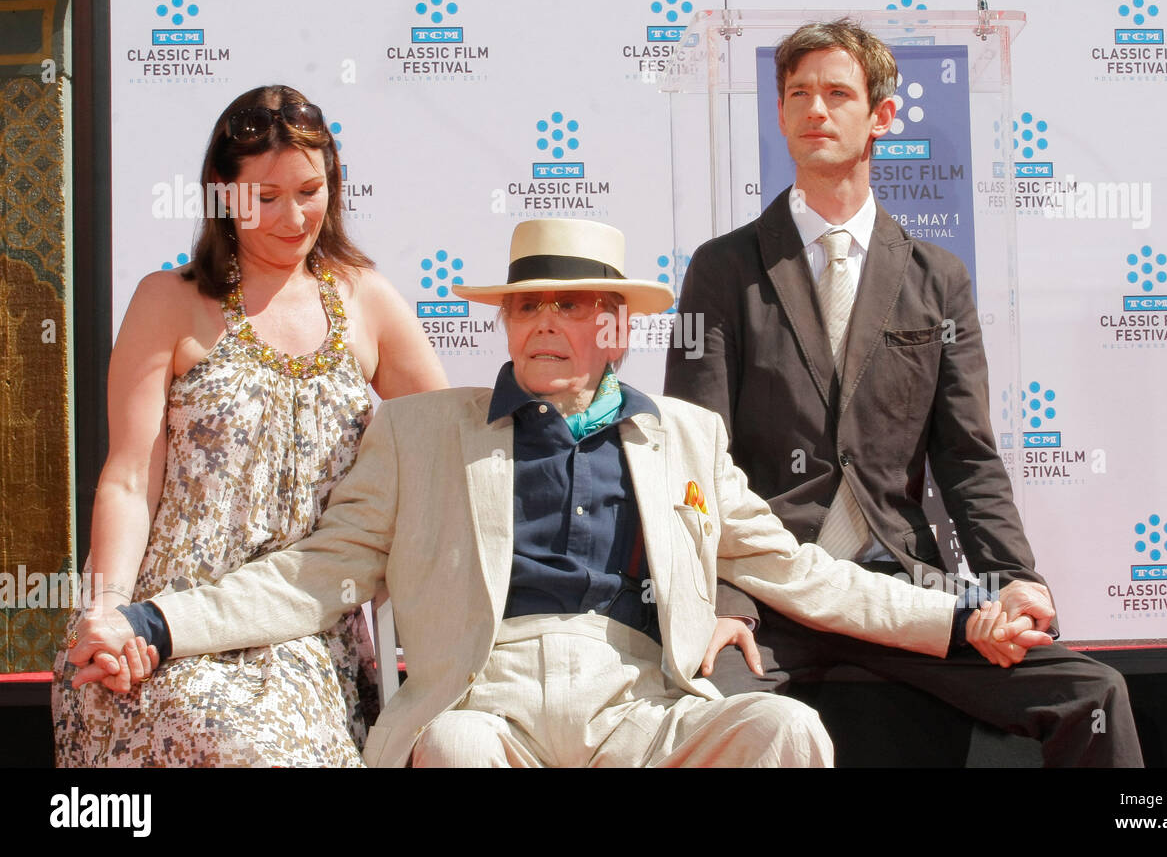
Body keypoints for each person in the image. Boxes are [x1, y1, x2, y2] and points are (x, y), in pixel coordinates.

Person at [68, 217, 1049, 768]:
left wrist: (961, 623)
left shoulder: (685, 437)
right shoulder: (418, 433)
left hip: (642, 699)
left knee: (787, 730)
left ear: (615, 326)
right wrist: (155, 622)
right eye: (526, 304)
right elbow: (312, 575)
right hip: (484, 697)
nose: (543, 323)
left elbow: (805, 573)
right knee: (449, 750)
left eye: (570, 305)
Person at [663, 19, 1143, 766]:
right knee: (705, 722)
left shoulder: (937, 279)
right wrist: (722, 604)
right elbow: (694, 464)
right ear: (781, 115)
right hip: (769, 593)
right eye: (798, 95)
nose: (815, 110)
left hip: (901, 584)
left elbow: (969, 459)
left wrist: (1014, 579)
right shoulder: (722, 270)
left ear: (882, 116)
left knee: (1093, 694)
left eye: (836, 93)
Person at [52, 85, 449, 766]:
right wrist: (111, 611)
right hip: (163, 616)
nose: (294, 218)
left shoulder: (368, 300)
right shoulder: (167, 301)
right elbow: (126, 477)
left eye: (310, 190)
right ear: (221, 192)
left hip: (300, 619)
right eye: (265, 198)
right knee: (219, 738)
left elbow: (447, 444)